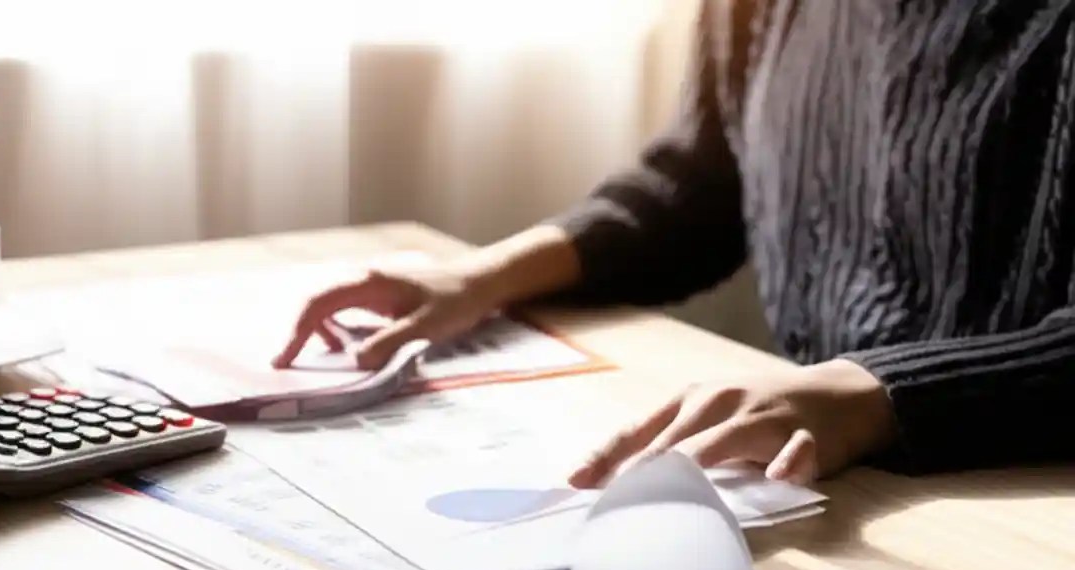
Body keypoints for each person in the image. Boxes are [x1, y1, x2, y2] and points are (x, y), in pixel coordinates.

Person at [273, 1, 1075, 488]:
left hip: (1021, 499)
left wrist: (875, 395)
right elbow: (699, 185)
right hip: (830, 478)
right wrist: (485, 277)